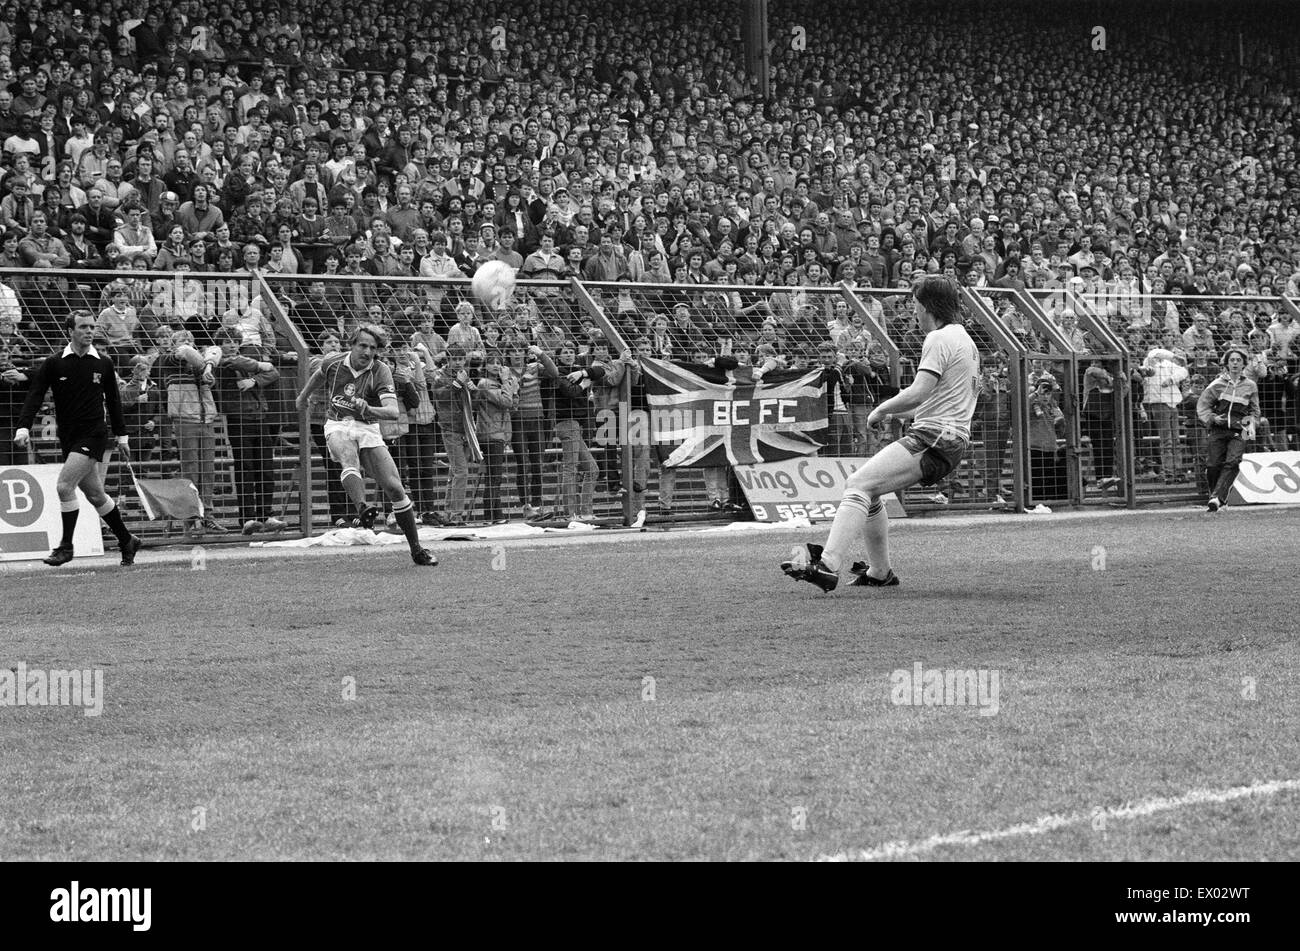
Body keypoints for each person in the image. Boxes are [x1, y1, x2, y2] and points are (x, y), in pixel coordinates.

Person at [781, 277, 978, 590]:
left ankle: (829, 564)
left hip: (936, 437)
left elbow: (918, 392)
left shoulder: (940, 338)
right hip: (946, 437)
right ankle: (879, 572)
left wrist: (881, 409)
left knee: (857, 484)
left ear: (928, 306)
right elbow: (938, 400)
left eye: (915, 305)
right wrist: (899, 412)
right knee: (869, 490)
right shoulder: (965, 340)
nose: (915, 313)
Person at [295, 324, 435, 565]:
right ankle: (362, 508)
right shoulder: (333, 362)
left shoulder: (380, 371)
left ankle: (416, 549)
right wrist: (303, 396)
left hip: (368, 426)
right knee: (347, 456)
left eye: (373, 347)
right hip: (338, 422)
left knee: (395, 489)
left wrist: (369, 408)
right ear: (352, 345)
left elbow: (392, 411)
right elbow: (319, 375)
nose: (368, 351)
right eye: (363, 345)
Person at [12, 311, 142, 566]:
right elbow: (35, 395)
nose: (89, 331)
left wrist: (122, 436)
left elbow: (114, 402)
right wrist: (23, 427)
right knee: (95, 495)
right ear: (69, 330)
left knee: (64, 487)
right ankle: (127, 540)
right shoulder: (54, 363)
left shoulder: (103, 362)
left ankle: (66, 546)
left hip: (94, 434)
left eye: (92, 327)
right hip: (68, 436)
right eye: (83, 327)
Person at [1198, 348, 1261, 513]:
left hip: (1239, 430)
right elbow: (1203, 406)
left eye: (1238, 360)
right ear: (1226, 364)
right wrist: (1212, 418)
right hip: (1218, 430)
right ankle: (1218, 498)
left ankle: (1216, 498)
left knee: (1233, 462)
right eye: (1232, 360)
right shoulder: (1216, 385)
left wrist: (1251, 425)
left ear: (1243, 364)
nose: (1235, 363)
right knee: (1212, 465)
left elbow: (1255, 410)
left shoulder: (1250, 385)